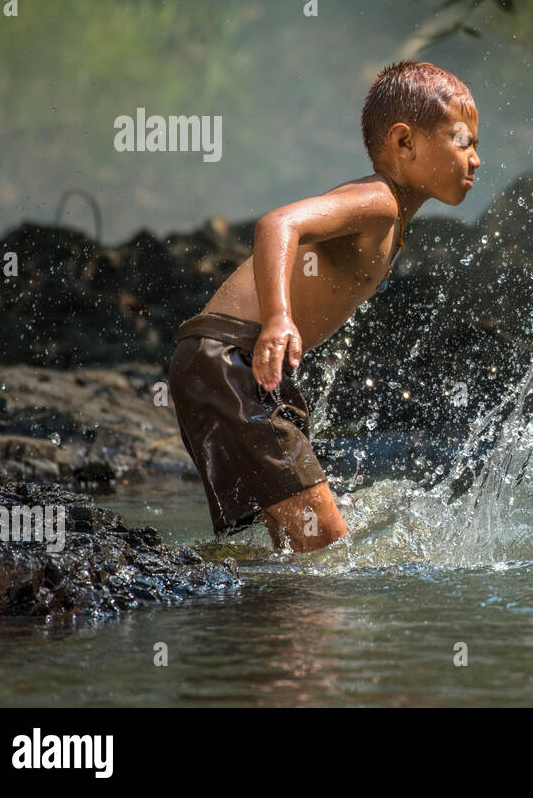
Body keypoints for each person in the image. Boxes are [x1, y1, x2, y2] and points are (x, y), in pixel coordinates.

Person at [168, 61, 479, 552]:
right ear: (404, 143)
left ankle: (261, 622)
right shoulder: (379, 201)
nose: (475, 159)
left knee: (295, 551)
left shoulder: (390, 212)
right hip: (229, 361)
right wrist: (277, 319)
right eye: (463, 141)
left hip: (231, 366)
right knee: (328, 546)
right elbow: (278, 224)